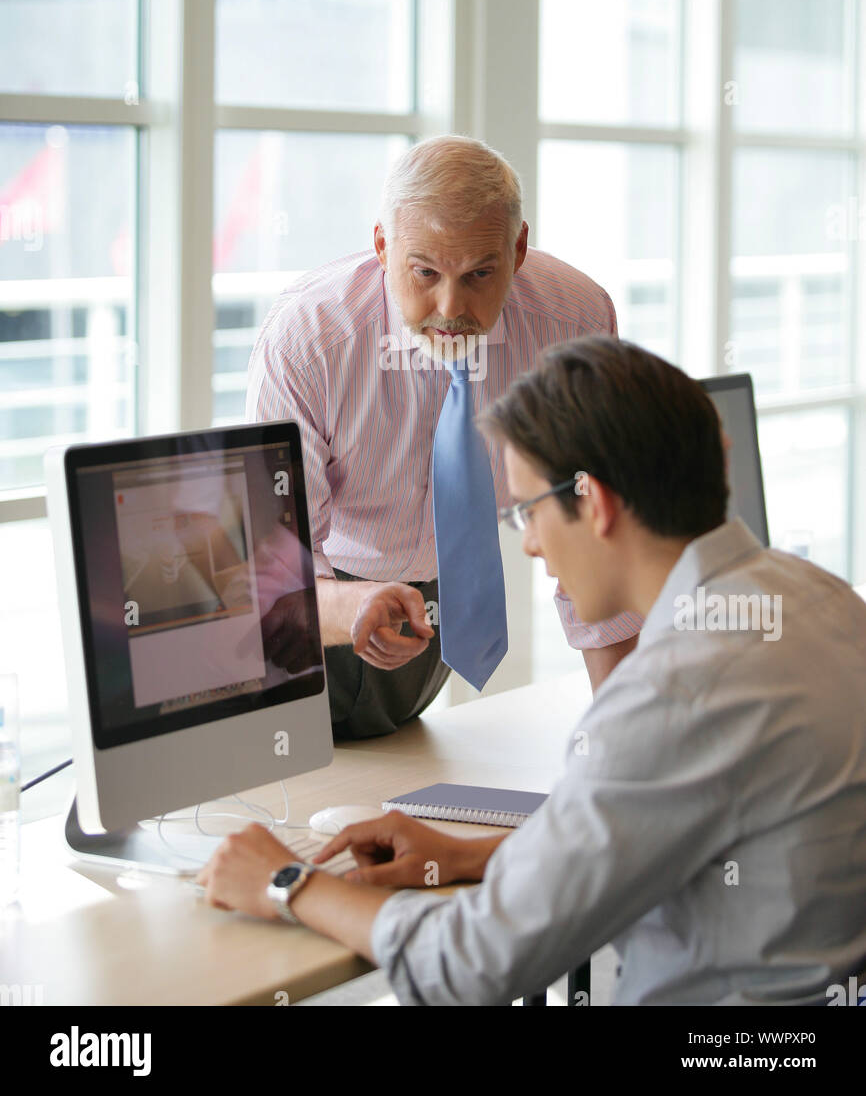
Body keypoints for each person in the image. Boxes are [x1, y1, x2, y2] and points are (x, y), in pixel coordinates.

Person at [199, 336, 866, 1006]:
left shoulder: (673, 691)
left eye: (527, 511)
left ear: (595, 504)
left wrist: (289, 883)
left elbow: (477, 964)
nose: (529, 543)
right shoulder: (823, 602)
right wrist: (463, 856)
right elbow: (648, 841)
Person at [246, 135, 640, 738]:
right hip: (317, 613)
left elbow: (595, 538)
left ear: (519, 249)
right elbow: (268, 573)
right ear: (382, 245)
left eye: (481, 273)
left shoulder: (576, 324)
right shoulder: (311, 341)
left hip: (437, 609)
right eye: (425, 272)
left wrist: (630, 741)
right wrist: (349, 606)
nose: (451, 307)